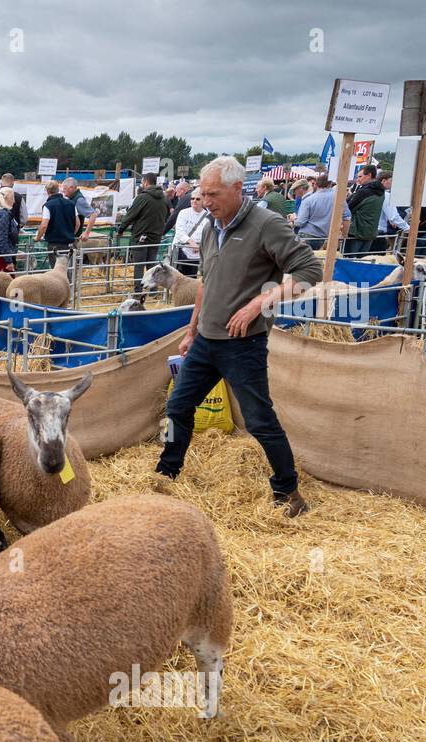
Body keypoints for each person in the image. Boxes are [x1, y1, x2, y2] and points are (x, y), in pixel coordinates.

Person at [156, 155, 318, 517]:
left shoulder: (266, 224)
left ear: (235, 188)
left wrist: (260, 303)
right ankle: (166, 475)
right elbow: (205, 282)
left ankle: (288, 492)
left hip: (244, 344)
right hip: (205, 342)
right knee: (178, 407)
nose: (206, 200)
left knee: (259, 419)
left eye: (212, 193)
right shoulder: (212, 225)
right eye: (202, 193)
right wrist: (192, 329)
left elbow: (310, 270)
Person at [114, 172, 169, 293]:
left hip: (141, 236)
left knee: (139, 265)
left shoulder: (142, 197)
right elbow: (167, 216)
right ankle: (153, 290)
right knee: (151, 264)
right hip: (156, 236)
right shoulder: (164, 198)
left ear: (145, 182)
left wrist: (120, 230)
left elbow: (130, 215)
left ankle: (138, 291)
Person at [292, 177, 349, 249]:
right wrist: (344, 235)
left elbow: (300, 222)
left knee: (300, 259)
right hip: (326, 237)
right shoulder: (339, 198)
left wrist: (293, 219)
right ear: (330, 184)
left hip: (307, 236)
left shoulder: (308, 200)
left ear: (315, 184)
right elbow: (347, 217)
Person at [344, 165, 385, 256]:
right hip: (370, 232)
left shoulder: (364, 192)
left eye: (360, 176)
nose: (358, 180)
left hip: (357, 232)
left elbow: (347, 208)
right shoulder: (381, 192)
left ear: (369, 175)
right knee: (362, 260)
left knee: (349, 261)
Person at [35, 179, 79, 256]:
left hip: (55, 245)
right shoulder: (71, 204)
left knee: (57, 267)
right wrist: (70, 234)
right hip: (70, 244)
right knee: (70, 267)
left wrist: (38, 237)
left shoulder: (48, 206)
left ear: (47, 191)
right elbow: (77, 223)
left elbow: (44, 225)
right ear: (58, 190)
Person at [172, 189, 208, 277]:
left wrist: (199, 246)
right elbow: (180, 232)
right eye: (192, 198)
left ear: (203, 200)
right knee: (178, 280)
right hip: (180, 251)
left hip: (196, 254)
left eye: (198, 199)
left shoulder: (208, 216)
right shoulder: (183, 213)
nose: (194, 201)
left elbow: (207, 234)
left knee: (192, 278)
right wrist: (192, 243)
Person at [374, 172, 408, 252]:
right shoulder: (385, 195)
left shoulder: (370, 192)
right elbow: (393, 215)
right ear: (384, 181)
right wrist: (407, 228)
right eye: (392, 180)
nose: (393, 183)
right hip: (378, 231)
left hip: (370, 229)